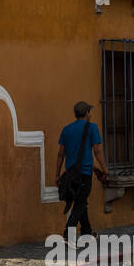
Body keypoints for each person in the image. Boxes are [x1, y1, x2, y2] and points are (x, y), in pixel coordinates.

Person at [55, 101, 109, 238]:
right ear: (86, 113)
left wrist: (57, 175)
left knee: (81, 201)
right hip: (84, 174)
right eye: (89, 112)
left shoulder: (66, 129)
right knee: (80, 203)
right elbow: (97, 151)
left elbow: (61, 154)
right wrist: (104, 169)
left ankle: (87, 232)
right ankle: (68, 234)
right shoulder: (92, 128)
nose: (90, 114)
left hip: (71, 175)